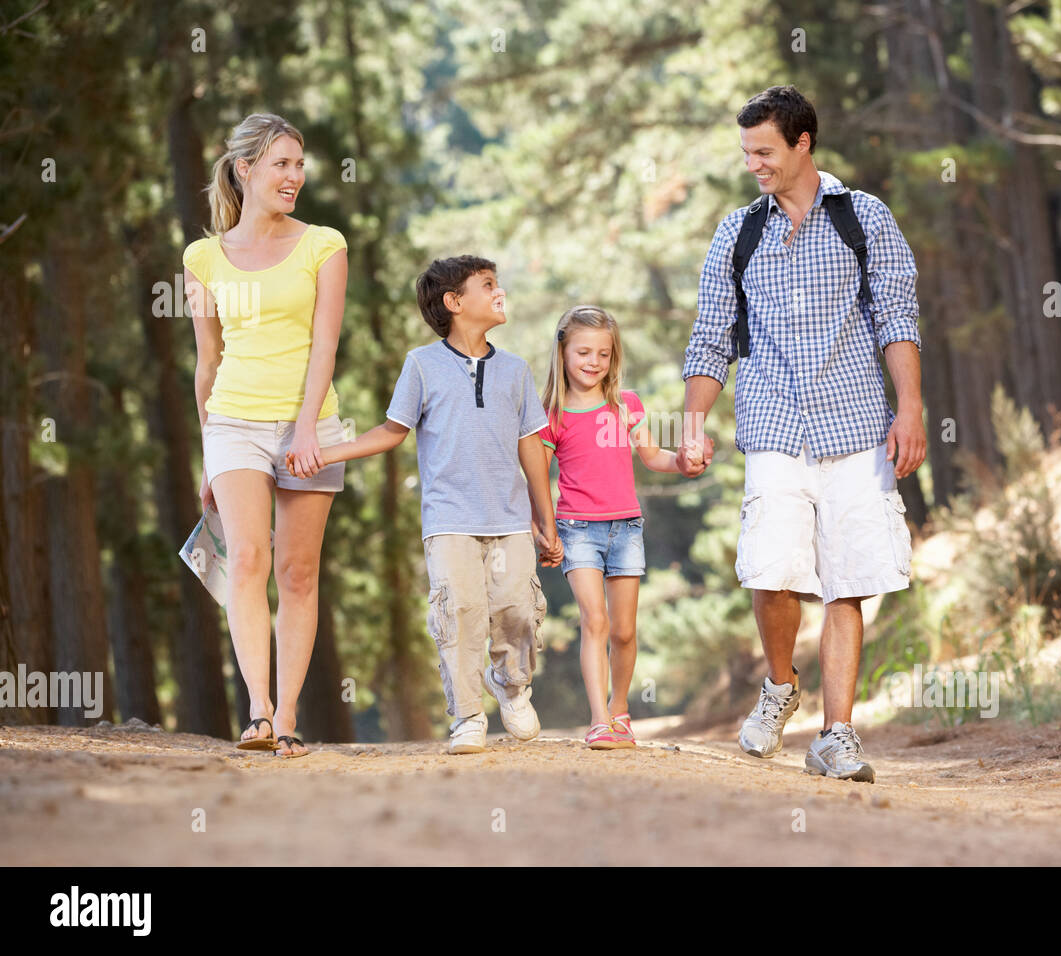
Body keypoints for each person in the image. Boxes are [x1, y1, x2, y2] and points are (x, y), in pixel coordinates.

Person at [679, 86, 926, 782]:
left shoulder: (864, 219)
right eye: (746, 152)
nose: (753, 165)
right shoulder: (739, 232)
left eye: (764, 152)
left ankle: (836, 735)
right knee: (770, 568)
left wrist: (910, 408)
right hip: (772, 423)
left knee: (847, 581)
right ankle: (781, 685)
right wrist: (694, 423)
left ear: (802, 144)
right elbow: (710, 338)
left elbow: (897, 319)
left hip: (854, 423)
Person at [294, 256, 561, 754]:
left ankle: (511, 685)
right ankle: (467, 715)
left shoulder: (516, 371)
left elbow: (531, 447)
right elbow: (393, 431)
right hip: (449, 518)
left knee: (518, 610)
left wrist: (546, 520)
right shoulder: (421, 365)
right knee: (459, 613)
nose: (499, 292)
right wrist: (325, 452)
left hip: (509, 519)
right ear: (454, 303)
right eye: (487, 285)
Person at [183, 112, 349, 758]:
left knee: (298, 572)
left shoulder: (324, 246)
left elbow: (325, 345)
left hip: (310, 422)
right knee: (247, 559)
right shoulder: (202, 257)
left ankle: (289, 719)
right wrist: (208, 451)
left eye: (299, 165)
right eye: (281, 164)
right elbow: (207, 360)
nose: (295, 177)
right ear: (245, 169)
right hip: (233, 424)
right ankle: (257, 712)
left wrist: (307, 426)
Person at [536, 306, 690, 749]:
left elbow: (654, 457)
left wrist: (681, 461)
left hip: (626, 528)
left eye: (603, 353)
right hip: (577, 528)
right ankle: (598, 719)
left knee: (624, 631)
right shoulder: (553, 414)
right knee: (595, 620)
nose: (593, 362)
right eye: (583, 352)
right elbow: (538, 479)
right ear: (562, 352)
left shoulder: (627, 405)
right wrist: (542, 528)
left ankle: (620, 711)